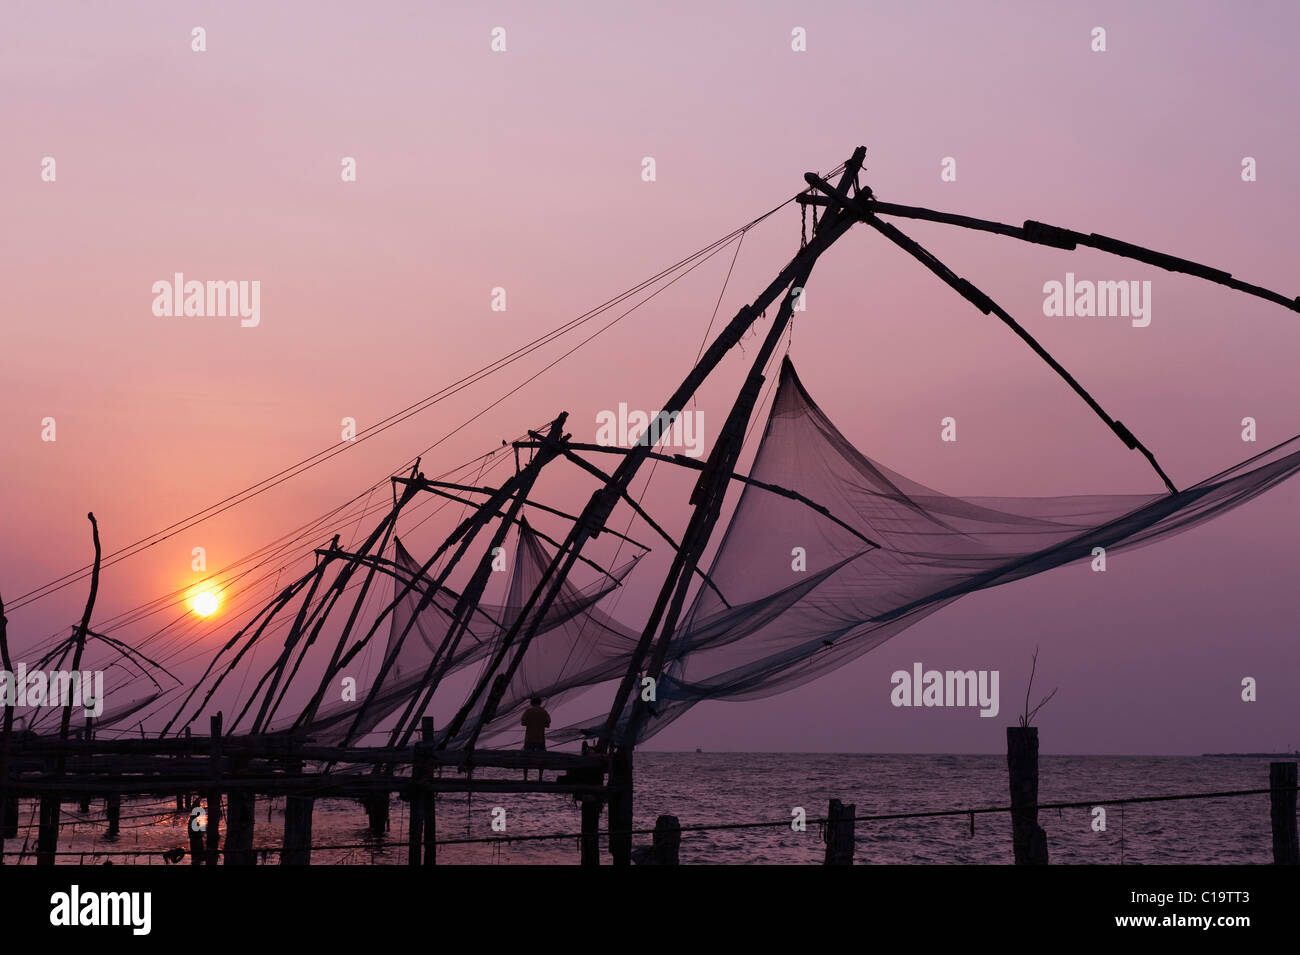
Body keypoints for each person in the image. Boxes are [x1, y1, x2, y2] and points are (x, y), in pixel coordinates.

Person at [521, 696, 550, 781]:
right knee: (541, 759)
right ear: (540, 703)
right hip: (540, 739)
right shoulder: (544, 712)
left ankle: (525, 778)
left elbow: (523, 723)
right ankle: (540, 778)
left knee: (526, 758)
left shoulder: (528, 711)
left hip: (529, 739)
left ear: (532, 703)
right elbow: (547, 724)